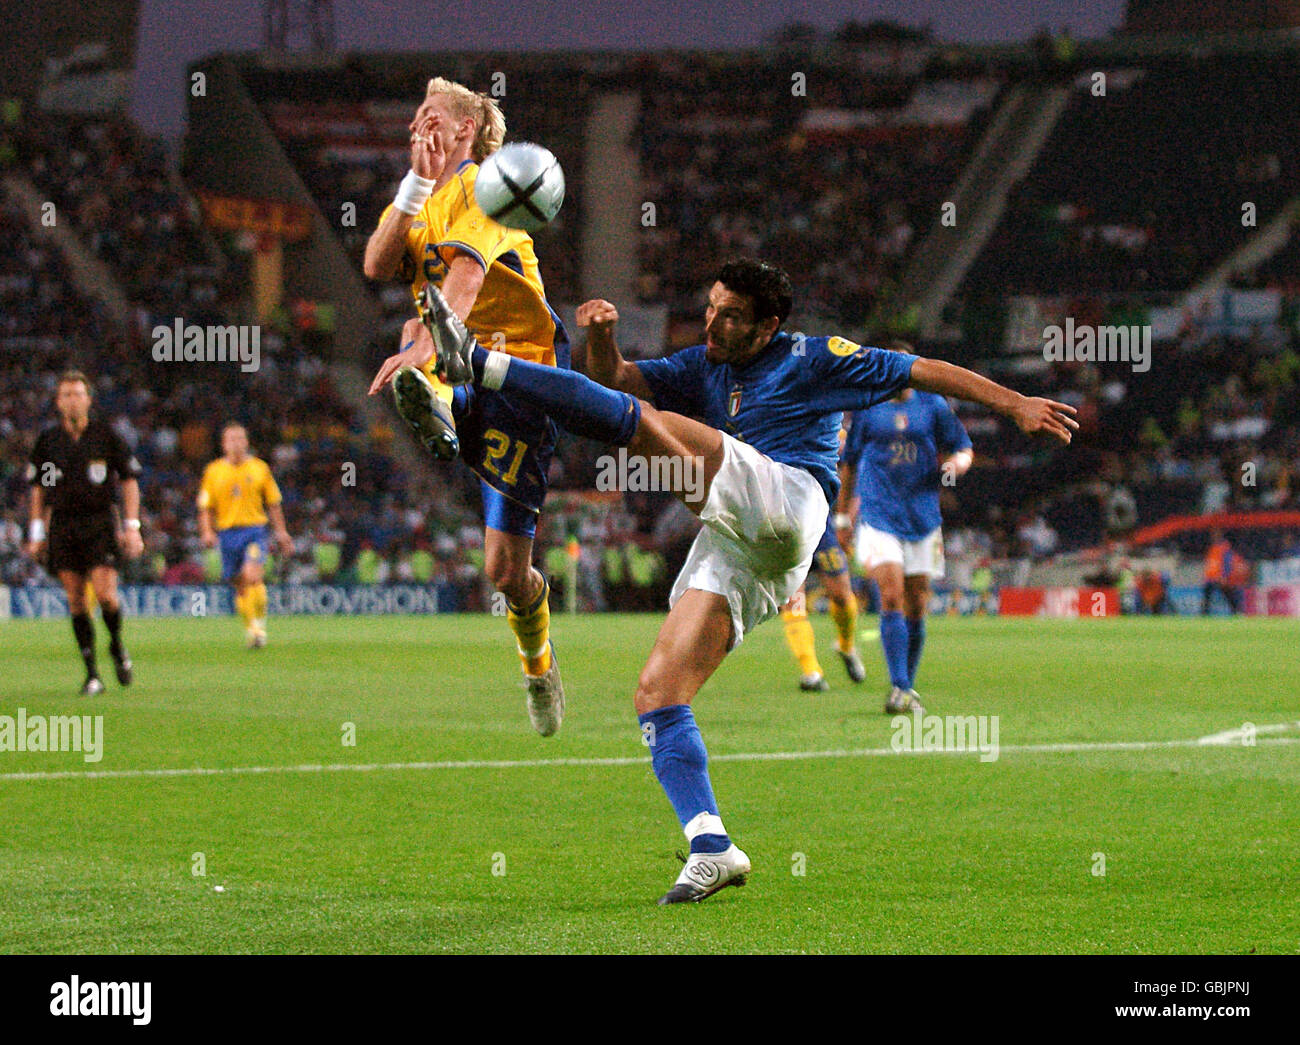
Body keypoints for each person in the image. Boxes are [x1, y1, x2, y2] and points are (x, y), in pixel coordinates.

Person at [385, 259, 1075, 904]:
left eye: (730, 316)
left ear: (767, 325)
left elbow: (923, 369)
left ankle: (474, 363)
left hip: (790, 500)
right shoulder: (704, 364)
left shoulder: (812, 357)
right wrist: (601, 337)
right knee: (657, 693)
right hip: (748, 546)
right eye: (709, 309)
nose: (711, 325)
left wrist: (1012, 402)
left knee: (653, 429)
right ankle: (711, 844)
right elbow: (617, 378)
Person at [365, 76, 569, 736]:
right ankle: (439, 403)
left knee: (505, 572)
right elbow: (375, 262)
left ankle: (537, 665)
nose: (413, 126)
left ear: (462, 132)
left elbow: (467, 278)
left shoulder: (492, 189)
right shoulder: (424, 197)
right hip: (461, 359)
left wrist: (419, 349)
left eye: (428, 115)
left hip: (519, 371)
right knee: (410, 334)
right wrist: (413, 186)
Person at [839, 340, 973, 713]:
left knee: (917, 605)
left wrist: (957, 464)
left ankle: (907, 685)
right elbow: (848, 463)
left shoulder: (933, 406)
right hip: (879, 515)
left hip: (923, 517)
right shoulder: (868, 408)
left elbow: (963, 446)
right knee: (892, 595)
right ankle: (898, 687)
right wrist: (841, 515)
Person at [25, 370, 143, 695]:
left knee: (105, 595)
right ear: (58, 402)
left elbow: (129, 480)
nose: (72, 400)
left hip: (100, 521)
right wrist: (36, 533)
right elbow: (39, 489)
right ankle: (92, 674)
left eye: (78, 393)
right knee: (76, 601)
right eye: (66, 394)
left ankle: (117, 646)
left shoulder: (106, 436)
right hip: (62, 525)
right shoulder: (48, 442)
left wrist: (132, 527)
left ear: (89, 399)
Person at [197, 423, 292, 648]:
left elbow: (273, 503)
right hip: (227, 534)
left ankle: (259, 627)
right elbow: (205, 507)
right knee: (239, 585)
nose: (236, 443)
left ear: (247, 442)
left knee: (253, 576)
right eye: (231, 439)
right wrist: (207, 531)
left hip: (254, 531)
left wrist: (281, 532)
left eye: (240, 438)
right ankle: (252, 630)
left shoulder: (260, 468)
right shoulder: (213, 471)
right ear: (223, 444)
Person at [779, 518, 866, 692]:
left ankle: (846, 646)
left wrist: (843, 522)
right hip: (785, 531)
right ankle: (811, 671)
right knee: (794, 604)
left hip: (820, 529)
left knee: (841, 595)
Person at [1200, 529, 1239, 615]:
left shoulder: (1224, 547)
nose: (1213, 537)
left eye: (1216, 535)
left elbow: (1227, 562)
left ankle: (1236, 611)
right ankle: (1204, 614)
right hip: (1210, 577)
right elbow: (1210, 562)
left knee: (1228, 595)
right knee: (1207, 596)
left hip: (1219, 577)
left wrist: (1225, 575)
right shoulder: (1212, 547)